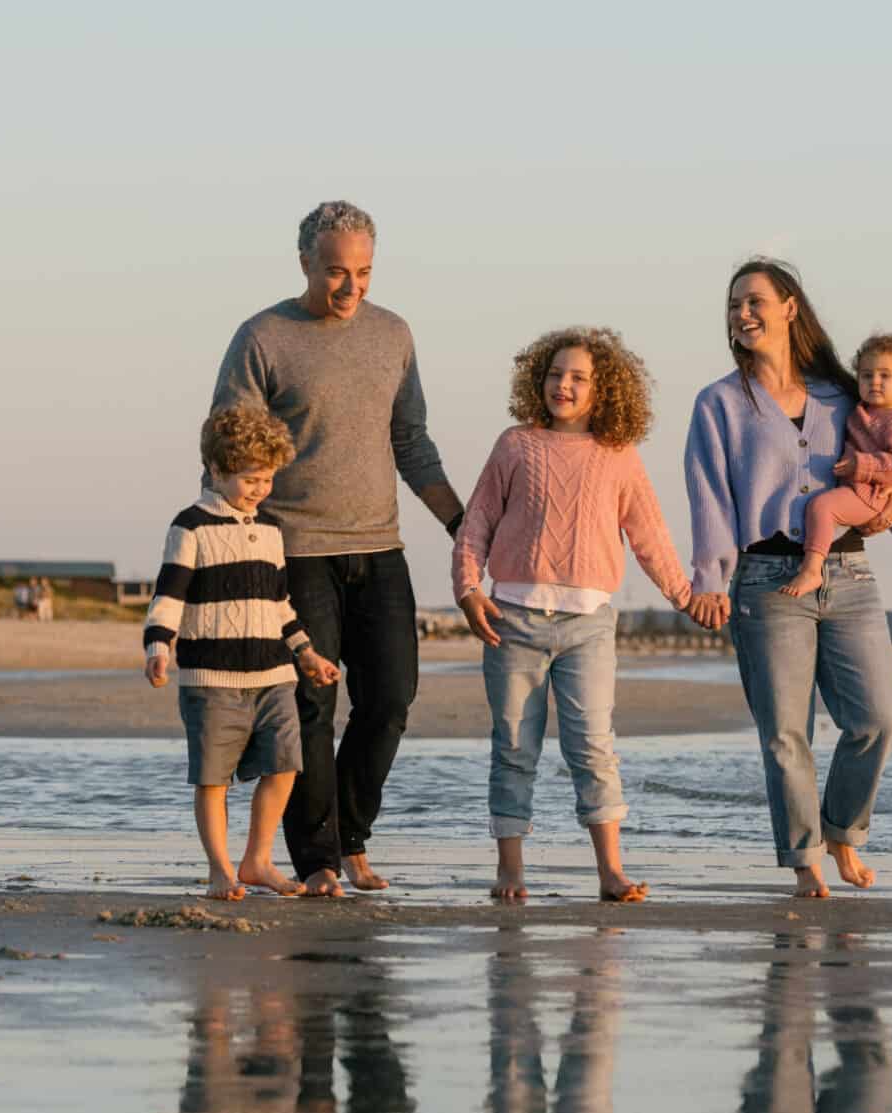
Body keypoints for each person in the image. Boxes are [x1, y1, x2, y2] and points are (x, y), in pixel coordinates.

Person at [211, 200, 465, 898]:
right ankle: (317, 859)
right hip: (294, 552)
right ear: (304, 264)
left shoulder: (394, 336)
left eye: (363, 272)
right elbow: (226, 449)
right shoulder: (263, 336)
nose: (350, 288)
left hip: (380, 547)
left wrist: (460, 522)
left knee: (391, 697)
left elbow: (411, 441)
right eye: (335, 273)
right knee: (313, 708)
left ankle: (352, 834)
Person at [683, 260, 892, 898]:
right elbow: (707, 496)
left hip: (849, 572)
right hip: (765, 582)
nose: (743, 313)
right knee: (787, 734)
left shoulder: (842, 393)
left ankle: (842, 828)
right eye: (735, 304)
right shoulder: (719, 404)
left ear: (790, 308)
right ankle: (804, 860)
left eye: (756, 301)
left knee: (879, 717)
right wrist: (709, 578)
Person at [453, 327, 704, 904]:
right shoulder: (515, 444)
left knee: (592, 745)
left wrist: (684, 595)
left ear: (604, 389)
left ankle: (611, 872)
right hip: (511, 618)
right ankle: (511, 870)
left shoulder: (618, 455)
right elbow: (478, 523)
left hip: (588, 626)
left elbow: (650, 535)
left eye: (578, 377)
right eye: (555, 374)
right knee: (514, 747)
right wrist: (468, 589)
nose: (563, 385)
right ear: (537, 380)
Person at [145, 405, 342, 901]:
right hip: (211, 680)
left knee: (285, 766)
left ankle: (258, 859)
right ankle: (220, 870)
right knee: (214, 779)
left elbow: (280, 606)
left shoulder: (271, 534)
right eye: (250, 478)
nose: (259, 488)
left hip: (274, 677)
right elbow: (169, 596)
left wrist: (307, 654)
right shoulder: (190, 527)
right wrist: (158, 647)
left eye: (268, 479)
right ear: (217, 470)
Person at [779, 333, 892, 598]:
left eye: (885, 376)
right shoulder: (860, 410)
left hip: (872, 493)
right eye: (867, 376)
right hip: (857, 489)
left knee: (822, 507)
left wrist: (862, 466)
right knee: (823, 510)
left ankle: (812, 569)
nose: (875, 382)